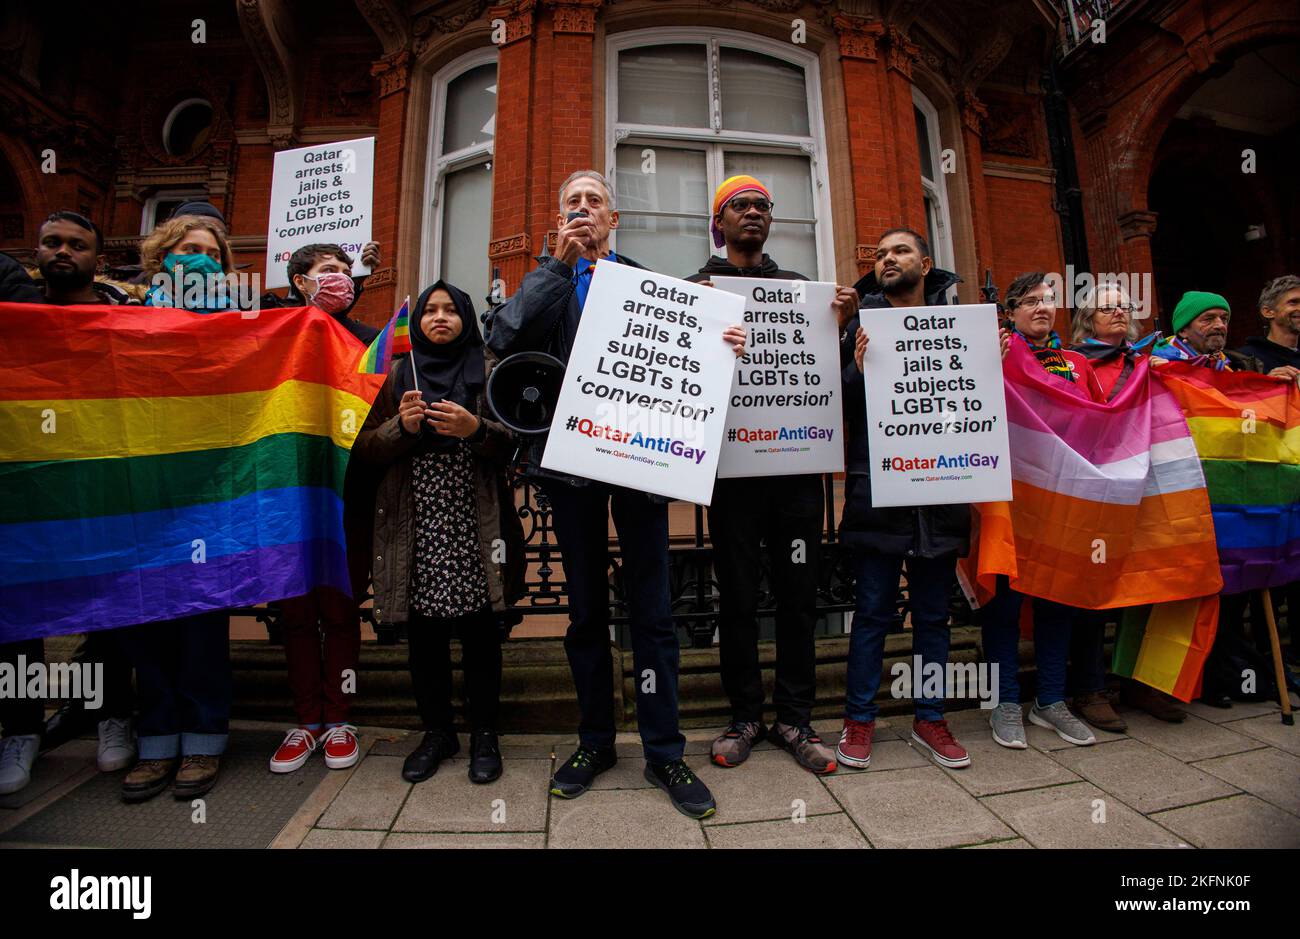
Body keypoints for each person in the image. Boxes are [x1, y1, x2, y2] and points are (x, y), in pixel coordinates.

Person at [487, 169, 744, 819]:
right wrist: (554, 265)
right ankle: (595, 741)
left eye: (592, 201)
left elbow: (686, 360)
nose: (581, 210)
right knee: (585, 614)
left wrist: (723, 341)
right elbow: (503, 338)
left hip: (640, 465)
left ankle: (663, 749)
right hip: (567, 470)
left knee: (653, 613)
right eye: (571, 201)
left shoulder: (645, 286)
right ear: (558, 216)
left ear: (614, 218)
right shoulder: (545, 279)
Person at [681, 176, 857, 775]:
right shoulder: (696, 291)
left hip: (796, 475)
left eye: (762, 206)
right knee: (735, 598)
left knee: (798, 599)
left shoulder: (803, 293)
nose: (753, 214)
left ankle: (795, 719)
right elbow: (677, 372)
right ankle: (745, 717)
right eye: (739, 206)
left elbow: (828, 378)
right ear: (719, 222)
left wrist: (842, 328)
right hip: (731, 475)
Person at [354, 280, 524, 784]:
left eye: (452, 309)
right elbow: (361, 450)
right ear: (419, 321)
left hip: (475, 517)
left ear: (467, 318)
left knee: (480, 632)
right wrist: (399, 429)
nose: (441, 318)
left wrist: (476, 430)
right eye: (431, 310)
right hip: (415, 518)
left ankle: (485, 733)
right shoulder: (393, 375)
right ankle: (438, 732)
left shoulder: (489, 371)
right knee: (423, 635)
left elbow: (518, 440)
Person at [835, 229, 990, 770]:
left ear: (925, 263)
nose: (886, 260)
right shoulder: (859, 324)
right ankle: (859, 721)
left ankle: (930, 718)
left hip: (942, 490)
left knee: (932, 617)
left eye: (898, 251)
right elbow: (841, 402)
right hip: (879, 488)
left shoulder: (958, 325)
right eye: (879, 255)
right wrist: (855, 364)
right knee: (873, 614)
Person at [0, 213, 139, 798]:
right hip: (26, 487)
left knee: (105, 608)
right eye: (53, 242)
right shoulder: (15, 321)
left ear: (97, 260)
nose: (63, 252)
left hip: (100, 487)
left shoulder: (120, 322)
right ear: (37, 251)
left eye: (77, 245)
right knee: (17, 609)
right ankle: (22, 727)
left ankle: (109, 715)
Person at [116, 217, 239, 802]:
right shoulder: (124, 312)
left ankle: (204, 740)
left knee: (202, 616)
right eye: (189, 251)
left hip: (209, 489)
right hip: (141, 485)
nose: (201, 261)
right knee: (147, 616)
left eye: (212, 254)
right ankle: (156, 738)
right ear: (163, 256)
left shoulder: (241, 320)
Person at [263, 243, 383, 776]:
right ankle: (305, 721)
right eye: (326, 272)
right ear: (298, 281)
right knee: (294, 613)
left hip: (347, 492)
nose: (339, 279)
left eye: (344, 271)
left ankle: (338, 719)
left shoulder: (364, 339)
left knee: (339, 609)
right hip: (286, 496)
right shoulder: (273, 328)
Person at [981, 272, 1101, 750]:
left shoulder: (1077, 362)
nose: (1042, 308)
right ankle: (1005, 701)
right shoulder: (998, 355)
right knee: (1004, 602)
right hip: (1010, 497)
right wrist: (987, 356)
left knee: (1057, 599)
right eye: (1030, 301)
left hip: (1063, 498)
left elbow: (1099, 419)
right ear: (1010, 312)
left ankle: (1050, 700)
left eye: (1048, 301)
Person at [258, 240, 383, 342]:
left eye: (347, 274)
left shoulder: (372, 341)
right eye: (328, 270)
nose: (342, 278)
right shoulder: (271, 330)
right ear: (300, 282)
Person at [139, 215, 238, 313]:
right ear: (164, 256)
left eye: (214, 255)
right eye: (193, 250)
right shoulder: (133, 306)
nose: (203, 260)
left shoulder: (233, 317)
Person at [1151, 291, 1264, 373]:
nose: (1220, 325)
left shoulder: (1241, 365)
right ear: (1183, 331)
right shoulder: (1160, 371)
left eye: (1224, 319)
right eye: (1208, 319)